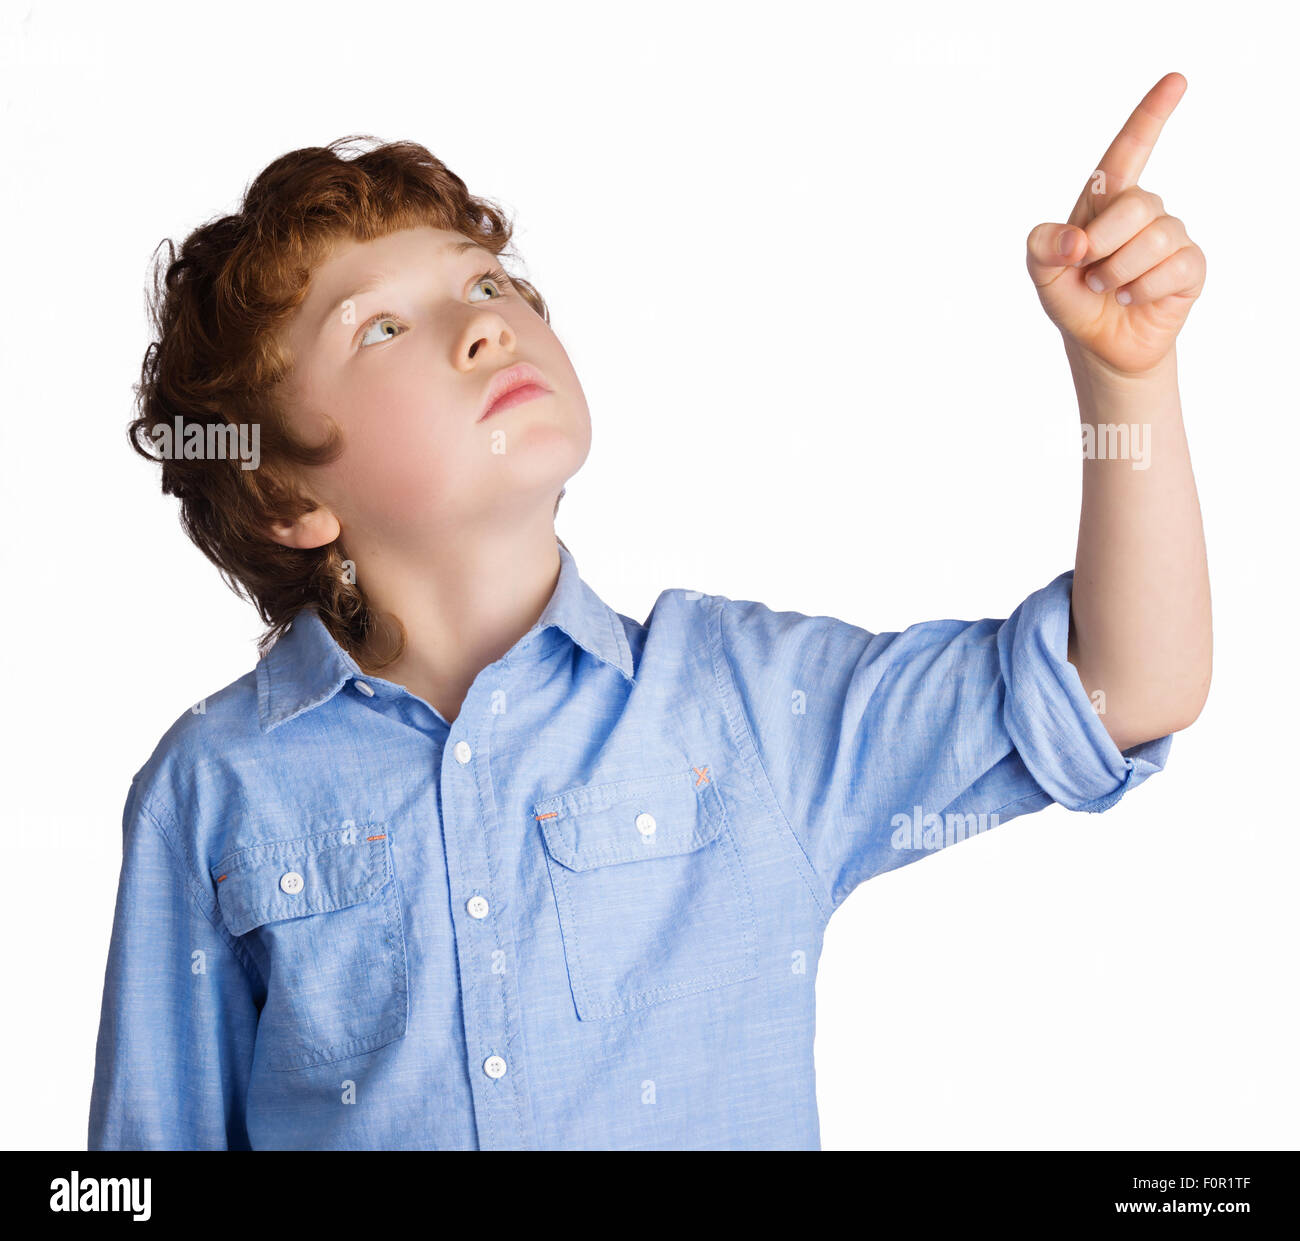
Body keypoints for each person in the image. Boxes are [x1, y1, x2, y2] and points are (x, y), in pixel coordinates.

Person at [89, 72, 1210, 1150]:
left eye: (484, 283)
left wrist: (1125, 381)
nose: (483, 326)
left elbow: (1125, 687)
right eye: (379, 328)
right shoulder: (212, 784)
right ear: (289, 496)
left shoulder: (744, 706)